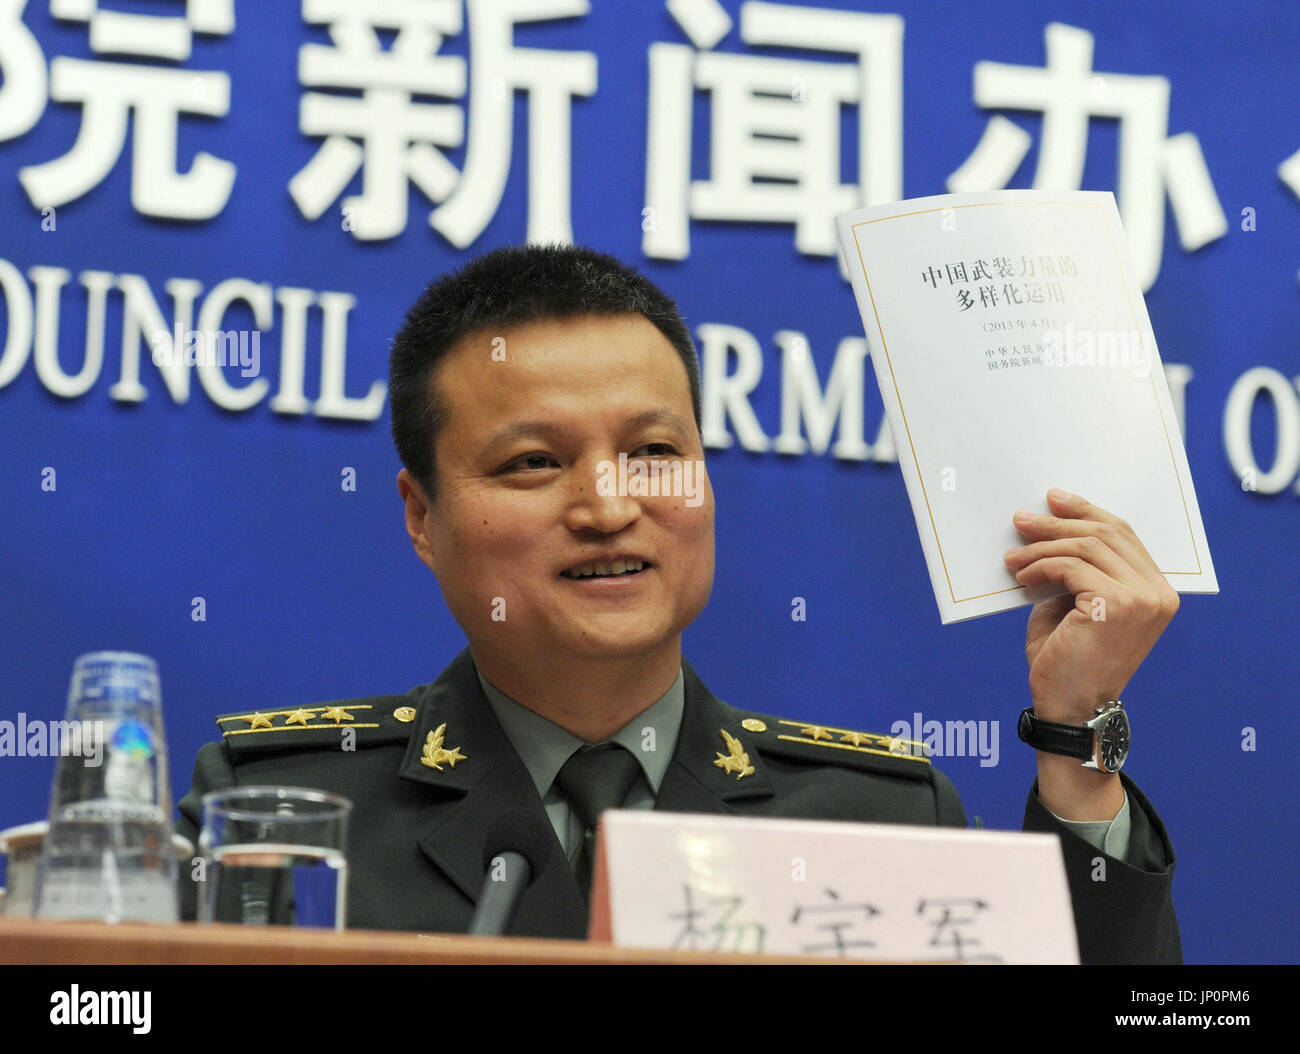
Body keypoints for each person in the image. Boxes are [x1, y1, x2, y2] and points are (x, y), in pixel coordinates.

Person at [178, 244, 1182, 963]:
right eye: (533, 462)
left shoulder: (874, 821)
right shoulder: (286, 817)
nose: (611, 506)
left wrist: (1074, 743)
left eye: (655, 453)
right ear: (420, 513)